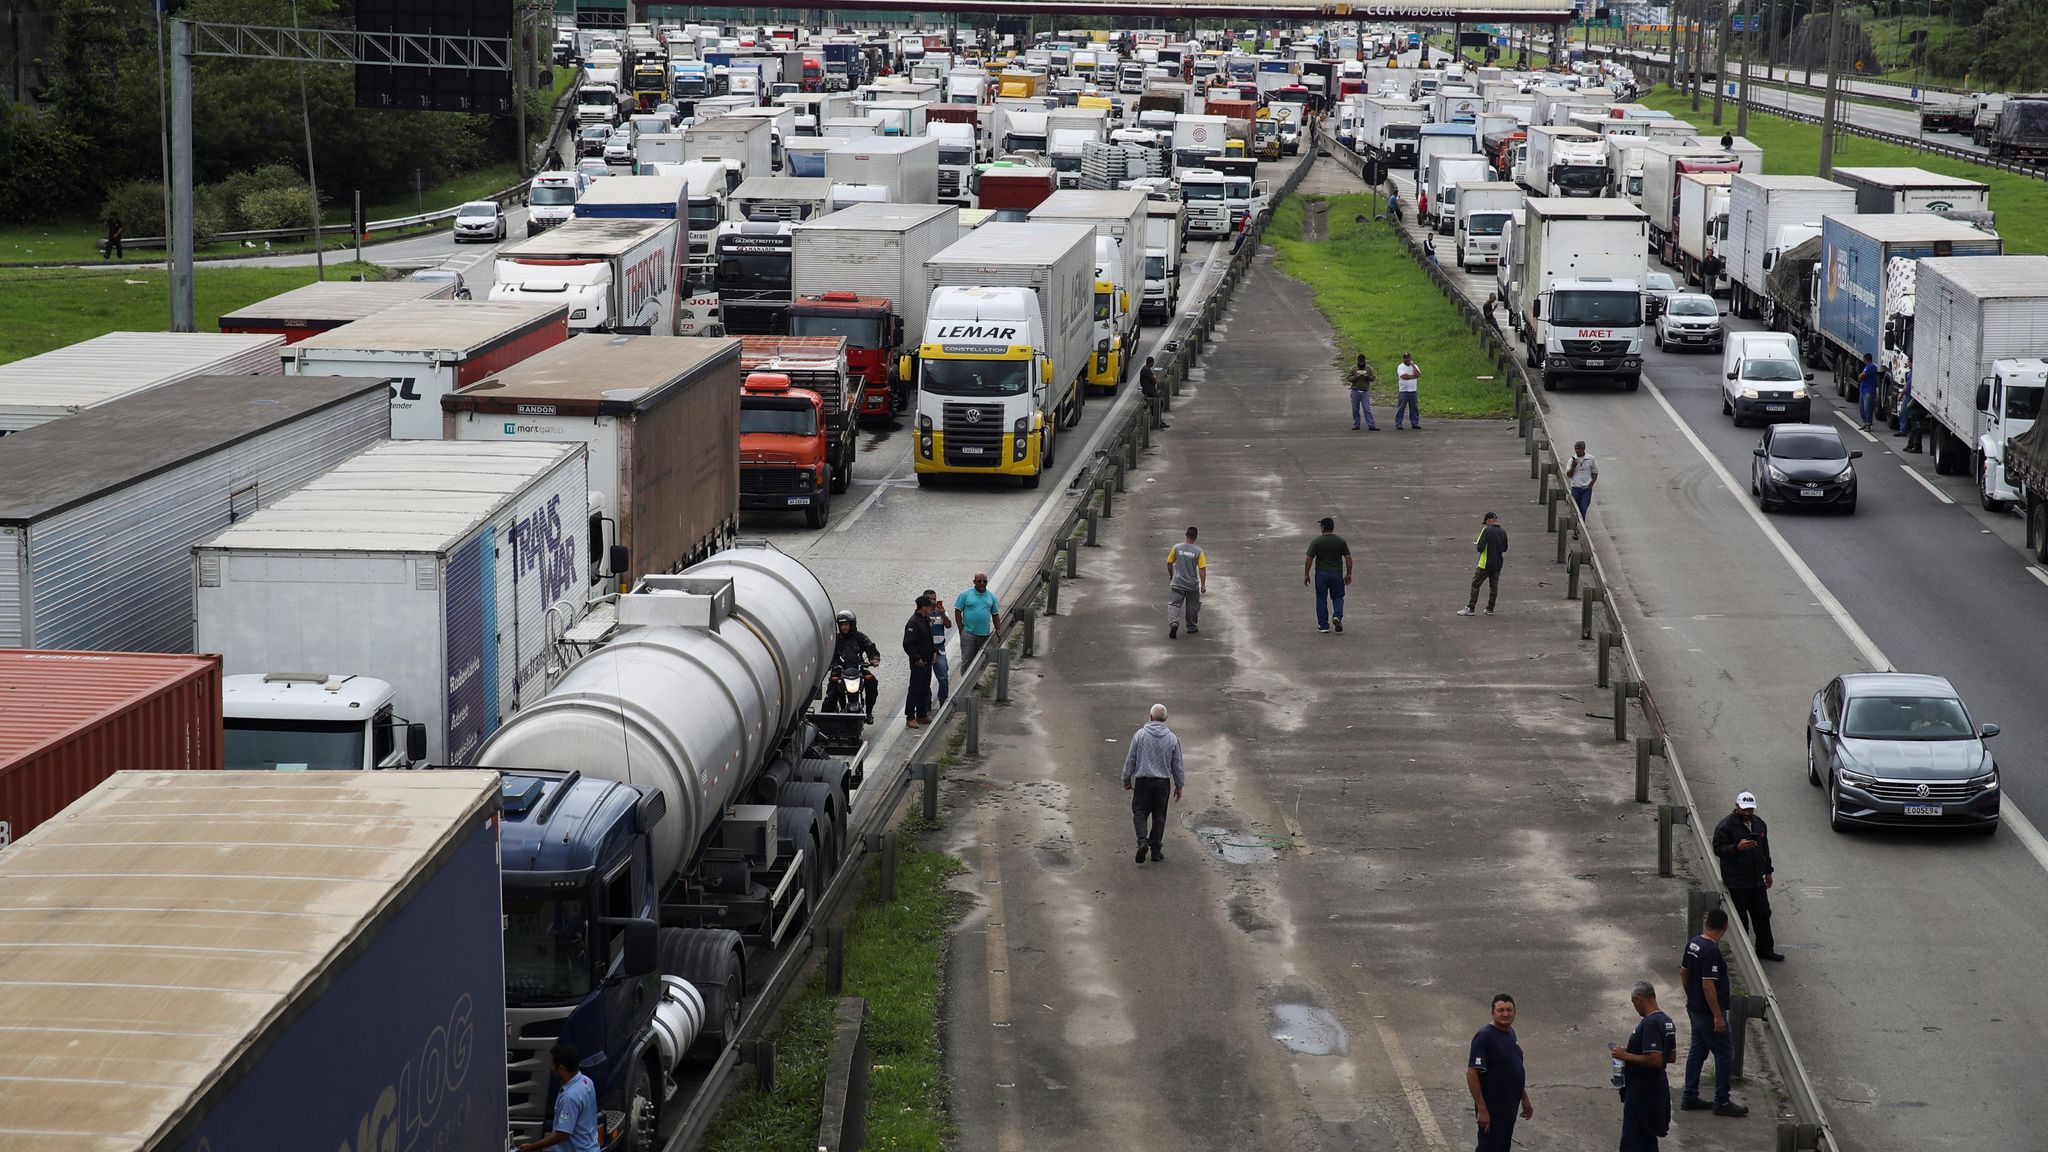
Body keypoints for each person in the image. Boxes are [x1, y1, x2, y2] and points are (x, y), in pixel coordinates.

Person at [1680, 908, 1748, 1117]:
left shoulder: (1693, 943)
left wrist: (1691, 995)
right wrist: (1718, 1016)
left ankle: (1689, 1096)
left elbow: (1684, 971)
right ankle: (1722, 1101)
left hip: (1695, 1008)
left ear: (1706, 924)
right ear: (1724, 928)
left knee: (1698, 1052)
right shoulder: (1711, 950)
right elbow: (1709, 985)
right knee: (1725, 1053)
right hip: (1709, 1013)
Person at [1712, 790, 1781, 961]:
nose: (1748, 813)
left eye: (1750, 809)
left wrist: (1768, 871)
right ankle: (1744, 954)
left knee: (1763, 914)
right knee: (1741, 919)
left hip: (1756, 880)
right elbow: (1718, 849)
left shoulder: (1759, 824)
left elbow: (1764, 850)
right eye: (1745, 809)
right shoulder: (1726, 826)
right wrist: (1737, 848)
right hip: (1737, 882)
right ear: (1737, 807)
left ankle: (1765, 949)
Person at [1466, 993, 1535, 1152]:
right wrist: (1482, 1109)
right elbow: (1472, 1074)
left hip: (1509, 1109)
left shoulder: (1510, 1033)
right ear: (1492, 1013)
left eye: (1509, 1010)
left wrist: (1524, 1098)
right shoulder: (1484, 1037)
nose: (1505, 1014)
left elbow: (1513, 1070)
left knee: (1503, 1147)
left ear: (1515, 1013)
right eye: (1500, 1010)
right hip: (1492, 1110)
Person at [1614, 981, 1677, 1152]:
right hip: (1657, 1090)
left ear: (1638, 999)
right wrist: (1634, 1051)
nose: (1635, 1007)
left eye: (1634, 1003)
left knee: (1632, 1142)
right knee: (1648, 1141)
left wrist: (1624, 1055)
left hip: (1642, 1092)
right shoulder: (1667, 1021)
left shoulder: (1650, 1023)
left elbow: (1655, 1060)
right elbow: (1671, 1057)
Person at [1121, 703, 1185, 863]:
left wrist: (1126, 778)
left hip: (1143, 782)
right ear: (1166, 719)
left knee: (1140, 812)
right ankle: (1155, 851)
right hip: (1162, 784)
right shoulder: (1172, 738)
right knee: (1159, 816)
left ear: (1150, 717)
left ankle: (1142, 840)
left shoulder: (1140, 735)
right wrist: (1179, 785)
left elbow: (1131, 759)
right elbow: (1177, 764)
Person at [516, 1043, 600, 1152]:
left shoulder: (570, 1098)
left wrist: (532, 1147)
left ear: (561, 1068)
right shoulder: (586, 1082)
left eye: (552, 1065)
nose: (551, 1068)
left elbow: (562, 1134)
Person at [1302, 516, 1353, 634]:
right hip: (1336, 574)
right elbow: (1348, 558)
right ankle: (1337, 616)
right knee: (1338, 597)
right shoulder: (1340, 541)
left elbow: (1309, 559)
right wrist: (1349, 573)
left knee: (1321, 598)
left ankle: (1323, 625)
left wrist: (1306, 574)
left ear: (1323, 528)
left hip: (1321, 574)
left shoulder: (1317, 541)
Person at [831, 610, 881, 722]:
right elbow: (829, 653)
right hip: (840, 671)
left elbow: (870, 647)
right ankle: (828, 719)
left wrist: (874, 659)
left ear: (852, 624)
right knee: (830, 694)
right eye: (842, 625)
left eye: (846, 624)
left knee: (872, 683)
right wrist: (831, 664)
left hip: (858, 671)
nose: (844, 627)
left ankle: (868, 712)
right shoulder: (836, 639)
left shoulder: (860, 637)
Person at [1457, 512, 1508, 617]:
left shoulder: (1486, 530)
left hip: (1485, 563)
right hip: (1498, 563)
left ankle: (1471, 608)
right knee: (1494, 586)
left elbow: (1480, 547)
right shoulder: (1503, 532)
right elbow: (1505, 548)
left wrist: (1479, 545)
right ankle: (1490, 608)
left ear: (1488, 520)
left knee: (1476, 584)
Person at [901, 595, 938, 729]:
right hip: (919, 663)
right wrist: (917, 658)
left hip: (927, 661)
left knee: (924, 688)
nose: (930, 609)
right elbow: (908, 644)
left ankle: (921, 714)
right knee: (915, 689)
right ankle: (910, 716)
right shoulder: (913, 622)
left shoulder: (925, 619)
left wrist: (934, 650)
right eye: (929, 606)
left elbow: (929, 637)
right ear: (923, 607)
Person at [1166, 525, 1207, 639]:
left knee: (1174, 604)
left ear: (1186, 535)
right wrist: (1203, 585)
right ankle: (1192, 627)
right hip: (1191, 585)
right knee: (1192, 607)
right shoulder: (1198, 551)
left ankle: (1174, 623)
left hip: (1178, 582)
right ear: (1195, 537)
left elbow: (1169, 563)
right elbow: (1202, 569)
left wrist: (1171, 575)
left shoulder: (1176, 548)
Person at [954, 573, 1001, 666]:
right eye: (979, 581)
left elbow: (995, 614)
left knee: (980, 660)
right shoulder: (965, 594)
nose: (982, 583)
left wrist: (998, 629)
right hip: (968, 633)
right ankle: (967, 680)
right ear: (974, 582)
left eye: (985, 581)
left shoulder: (991, 597)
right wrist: (961, 629)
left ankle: (976, 680)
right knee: (967, 660)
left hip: (984, 634)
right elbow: (958, 611)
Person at [922, 588, 951, 706]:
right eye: (930, 599)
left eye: (935, 599)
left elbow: (948, 625)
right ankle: (926, 704)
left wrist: (943, 614)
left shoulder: (941, 612)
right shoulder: (922, 614)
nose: (933, 601)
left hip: (939, 650)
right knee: (924, 680)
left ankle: (943, 701)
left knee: (943, 678)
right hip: (925, 651)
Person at [1566, 440, 1599, 518]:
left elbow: (1595, 472)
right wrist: (1573, 467)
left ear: (1583, 449)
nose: (1577, 451)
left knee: (1583, 508)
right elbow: (1568, 475)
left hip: (1586, 489)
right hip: (1575, 488)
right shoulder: (1572, 460)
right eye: (1575, 448)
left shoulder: (1591, 459)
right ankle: (1578, 526)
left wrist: (1591, 485)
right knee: (1576, 510)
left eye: (1578, 448)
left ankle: (1581, 526)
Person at [1347, 354, 1379, 430]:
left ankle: (1371, 425)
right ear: (1357, 361)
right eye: (1360, 362)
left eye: (1362, 361)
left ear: (1365, 361)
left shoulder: (1368, 368)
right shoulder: (1353, 368)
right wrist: (1355, 377)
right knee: (1355, 409)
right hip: (1355, 391)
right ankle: (1356, 424)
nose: (1361, 363)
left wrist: (1367, 377)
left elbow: (1373, 378)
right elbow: (1348, 378)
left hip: (1365, 392)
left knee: (1367, 409)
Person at [1394, 352, 1422, 429]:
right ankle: (1398, 423)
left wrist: (1413, 365)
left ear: (1410, 358)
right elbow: (1404, 376)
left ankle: (1415, 423)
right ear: (1403, 359)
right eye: (1405, 358)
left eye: (1408, 358)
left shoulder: (1414, 366)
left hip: (1413, 390)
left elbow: (1418, 374)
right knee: (1401, 407)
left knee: (1414, 408)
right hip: (1403, 391)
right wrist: (1413, 376)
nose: (1407, 359)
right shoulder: (1401, 366)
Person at [1139, 355, 1167, 429]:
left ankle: (1158, 421)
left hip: (1147, 390)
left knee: (1153, 407)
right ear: (1151, 363)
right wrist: (1154, 377)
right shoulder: (1147, 370)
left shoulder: (1144, 369)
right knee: (1160, 403)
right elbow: (1154, 379)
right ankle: (1158, 421)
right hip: (1149, 391)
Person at [1856, 353, 1879, 430]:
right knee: (1862, 408)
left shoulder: (1871, 367)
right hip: (1863, 389)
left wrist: (1860, 375)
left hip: (1868, 391)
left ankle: (1868, 424)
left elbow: (1861, 376)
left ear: (1865, 359)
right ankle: (1865, 423)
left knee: (1867, 408)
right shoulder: (1868, 366)